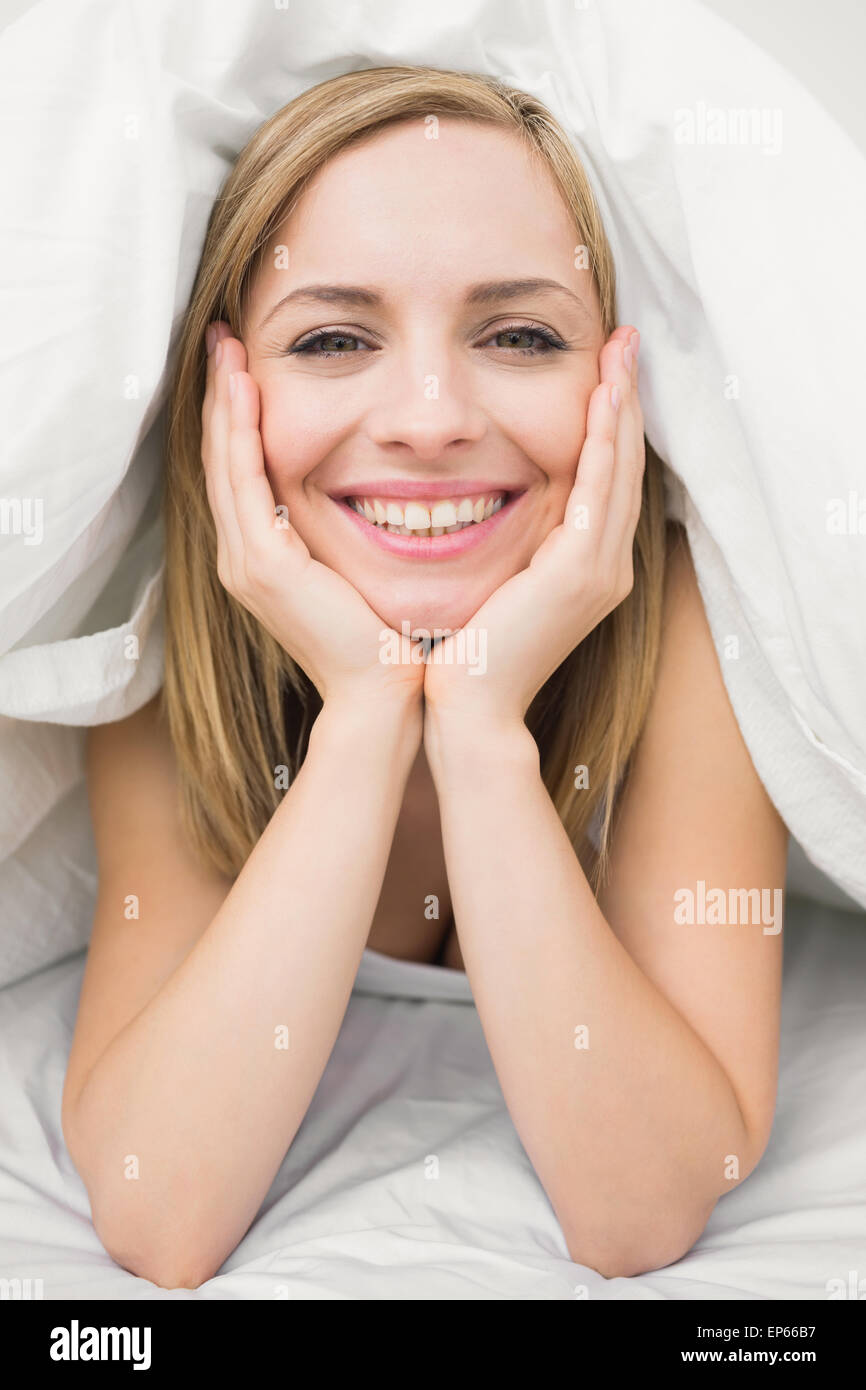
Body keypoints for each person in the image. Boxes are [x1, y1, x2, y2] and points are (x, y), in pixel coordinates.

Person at [61, 66, 788, 1290]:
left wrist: (482, 727)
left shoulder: (693, 633)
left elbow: (642, 1209)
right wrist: (358, 713)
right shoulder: (162, 660)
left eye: (518, 335)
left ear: (616, 386)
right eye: (334, 338)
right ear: (226, 401)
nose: (431, 417)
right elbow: (156, 1215)